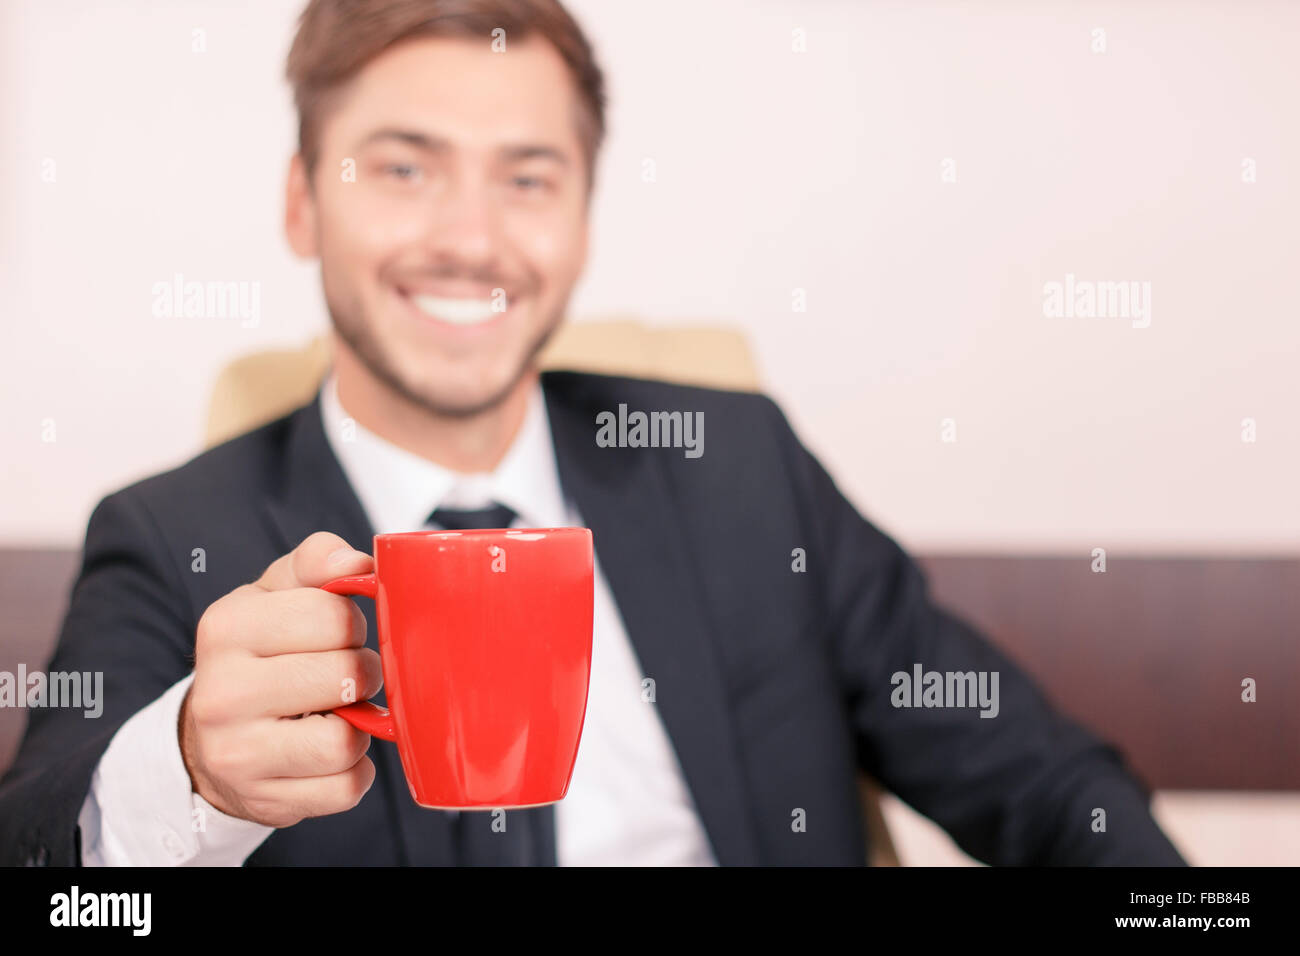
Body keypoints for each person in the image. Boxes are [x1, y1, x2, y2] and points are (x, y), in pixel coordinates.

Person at [0, 0, 1185, 866]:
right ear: (302, 201)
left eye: (528, 177)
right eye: (405, 167)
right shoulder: (169, 533)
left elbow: (1043, 778)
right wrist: (189, 774)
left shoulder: (740, 471)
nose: (471, 237)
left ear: (581, 214)